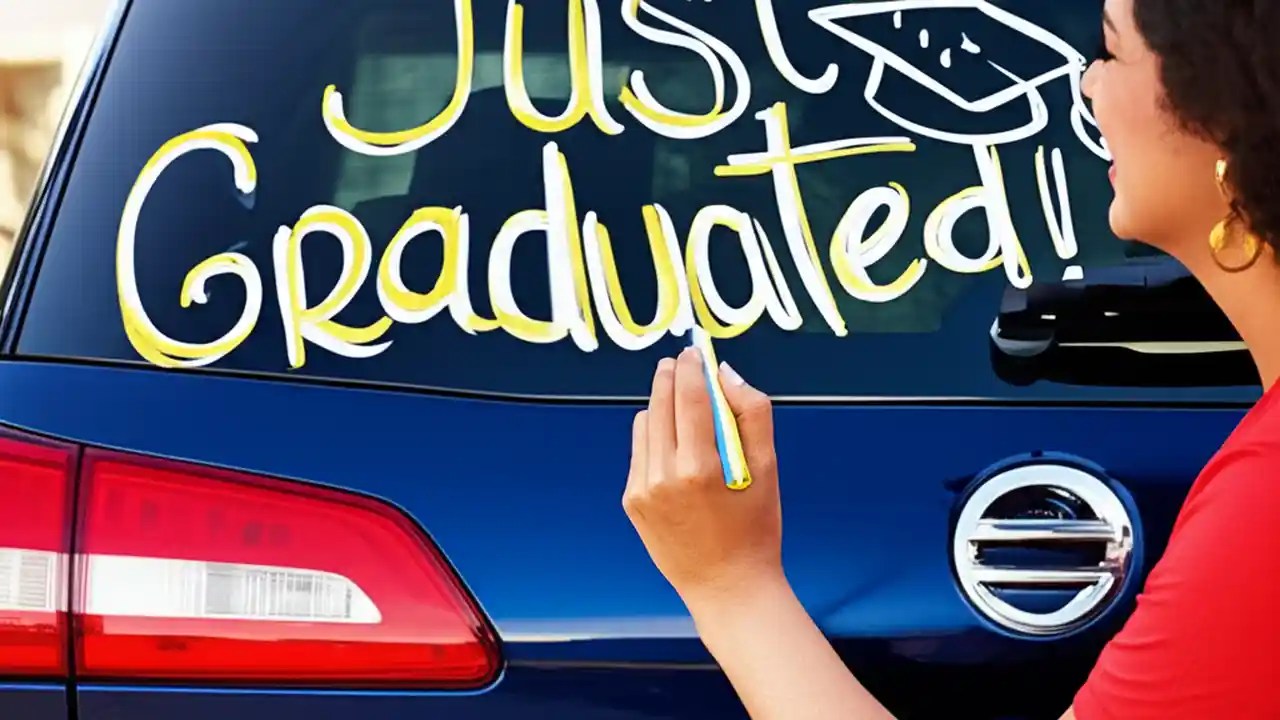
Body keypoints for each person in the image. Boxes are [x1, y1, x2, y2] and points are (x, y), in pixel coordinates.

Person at [621, 0, 1280, 717]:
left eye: (1112, 54)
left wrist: (730, 585)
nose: (1087, 84)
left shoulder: (1265, 507)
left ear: (1222, 110)